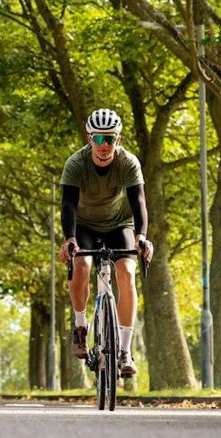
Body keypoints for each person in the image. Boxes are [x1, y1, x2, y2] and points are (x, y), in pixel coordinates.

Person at [58, 108, 154, 378]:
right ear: (89, 139)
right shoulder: (76, 164)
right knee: (82, 265)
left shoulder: (128, 162)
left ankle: (124, 350)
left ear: (118, 140)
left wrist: (141, 237)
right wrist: (70, 239)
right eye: (98, 139)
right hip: (84, 226)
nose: (104, 146)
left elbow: (138, 202)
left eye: (109, 139)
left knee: (126, 272)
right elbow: (67, 204)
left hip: (119, 225)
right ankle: (80, 327)